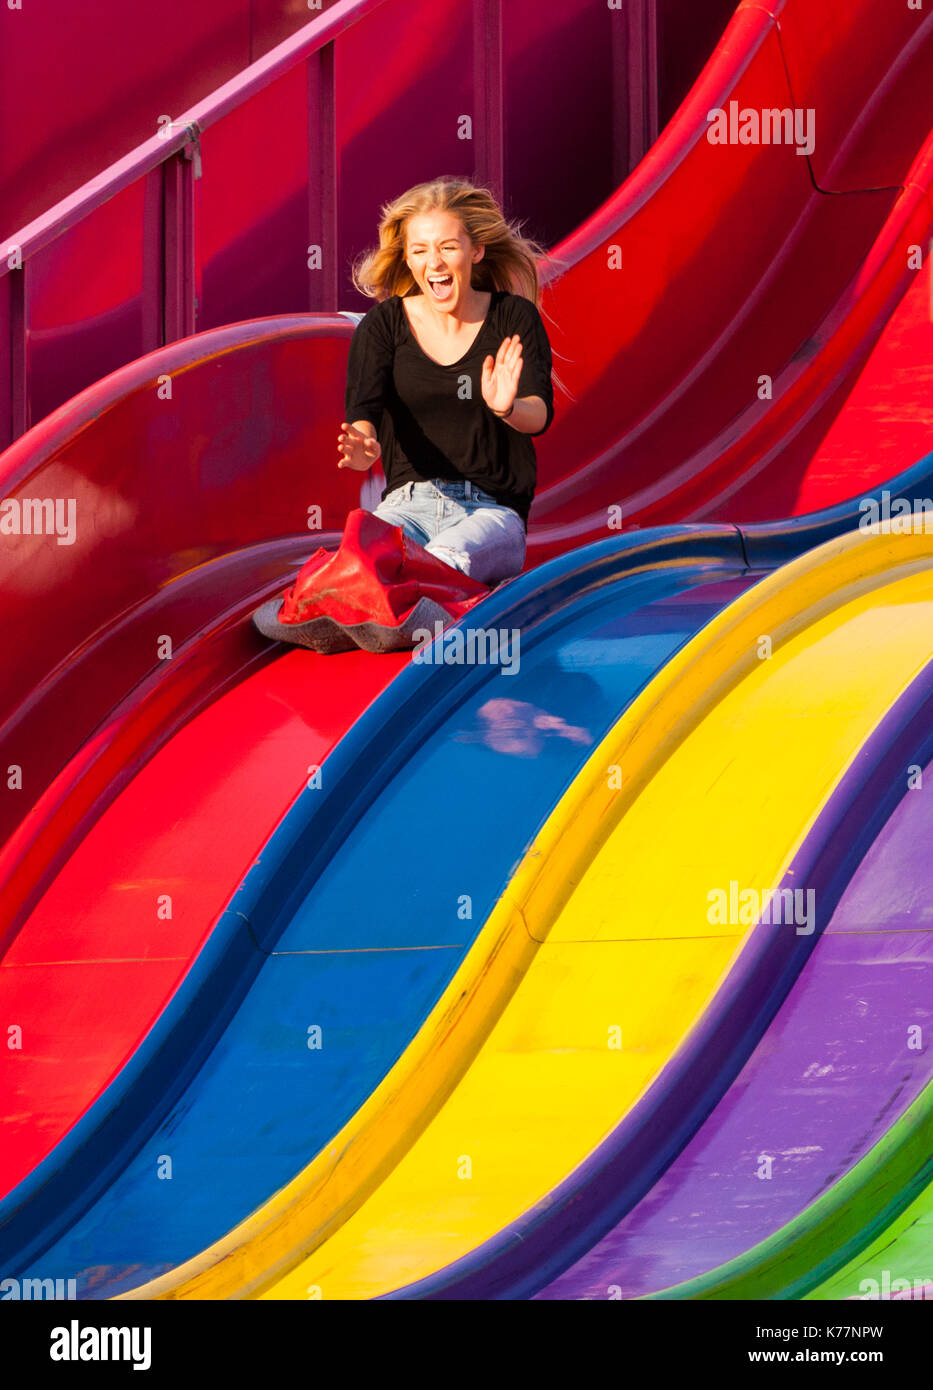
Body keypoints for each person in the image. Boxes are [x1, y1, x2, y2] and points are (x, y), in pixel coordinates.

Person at [337, 177, 556, 586]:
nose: (434, 263)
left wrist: (505, 407)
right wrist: (363, 450)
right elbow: (363, 417)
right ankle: (345, 608)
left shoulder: (513, 317)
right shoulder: (384, 325)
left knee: (440, 562)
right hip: (407, 505)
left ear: (476, 251)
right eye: (420, 250)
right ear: (407, 258)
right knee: (361, 560)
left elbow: (539, 414)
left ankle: (415, 611)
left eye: (448, 247)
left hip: (491, 512)